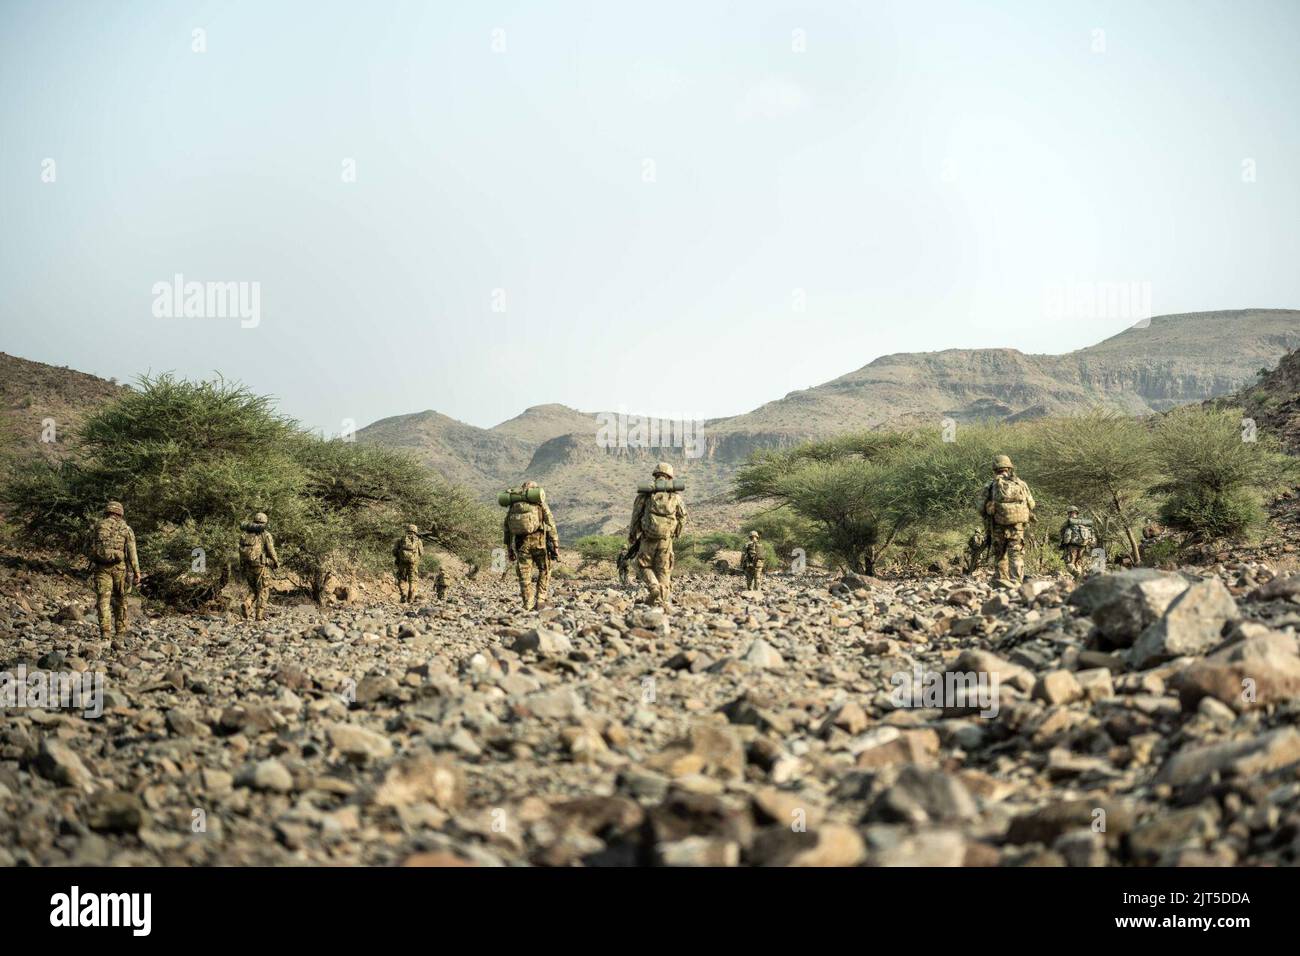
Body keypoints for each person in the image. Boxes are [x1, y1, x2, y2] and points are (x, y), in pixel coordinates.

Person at [628, 462, 687, 610]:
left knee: (642, 564)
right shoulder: (675, 496)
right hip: (666, 540)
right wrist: (676, 533)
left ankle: (654, 588)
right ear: (670, 477)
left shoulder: (646, 494)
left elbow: (636, 515)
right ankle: (662, 603)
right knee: (664, 569)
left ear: (655, 475)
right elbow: (683, 517)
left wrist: (633, 534)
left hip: (648, 538)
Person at [979, 455, 1036, 587]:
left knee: (1000, 555)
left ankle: (1001, 581)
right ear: (1009, 468)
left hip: (997, 526)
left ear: (994, 469)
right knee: (1016, 554)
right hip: (1017, 527)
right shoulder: (1021, 484)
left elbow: (980, 507)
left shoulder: (990, 485)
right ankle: (1016, 582)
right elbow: (1032, 504)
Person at [86, 500, 140, 638]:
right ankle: (120, 632)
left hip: (101, 568)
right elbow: (132, 552)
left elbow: (87, 548)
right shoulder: (126, 529)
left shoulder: (97, 526)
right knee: (121, 600)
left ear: (107, 512)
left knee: (103, 600)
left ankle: (105, 632)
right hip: (120, 569)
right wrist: (137, 572)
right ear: (120, 513)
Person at [504, 480, 559, 610]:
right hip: (539, 542)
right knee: (545, 569)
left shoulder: (514, 506)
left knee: (524, 574)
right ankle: (540, 598)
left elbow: (507, 528)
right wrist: (555, 545)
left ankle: (527, 603)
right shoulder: (540, 504)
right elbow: (551, 524)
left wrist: (509, 549)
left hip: (521, 544)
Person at [238, 511, 279, 621]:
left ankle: (247, 603)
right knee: (263, 590)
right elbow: (271, 550)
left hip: (247, 565)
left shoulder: (246, 534)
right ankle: (259, 617)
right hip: (260, 566)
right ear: (265, 522)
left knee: (254, 589)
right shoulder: (265, 534)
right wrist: (276, 561)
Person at [1059, 506, 1095, 576]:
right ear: (1077, 513)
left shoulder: (1069, 522)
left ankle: (1078, 575)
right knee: (1078, 563)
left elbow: (1061, 531)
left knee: (1069, 563)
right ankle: (1080, 580)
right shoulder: (1084, 523)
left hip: (1072, 546)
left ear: (1069, 513)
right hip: (1083, 546)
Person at [393, 523, 423, 602]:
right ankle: (410, 597)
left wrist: (400, 557)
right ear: (415, 531)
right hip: (413, 564)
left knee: (401, 579)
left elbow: (394, 552)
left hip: (402, 563)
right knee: (412, 580)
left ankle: (403, 594)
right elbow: (421, 553)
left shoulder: (400, 540)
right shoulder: (418, 541)